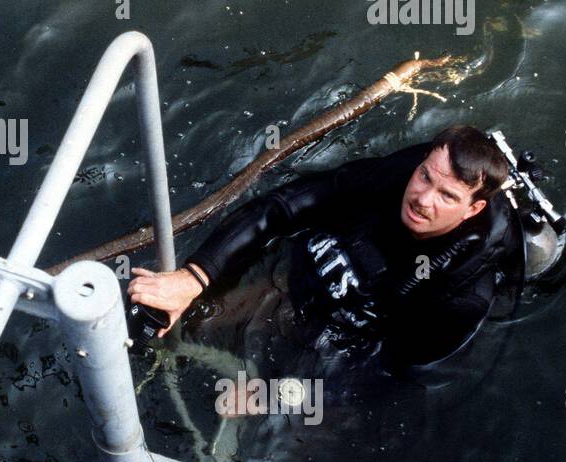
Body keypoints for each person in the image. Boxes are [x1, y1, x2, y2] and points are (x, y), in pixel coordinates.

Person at [127, 125, 521, 383]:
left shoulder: (463, 293)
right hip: (299, 287)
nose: (422, 198)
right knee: (166, 326)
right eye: (425, 177)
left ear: (473, 209)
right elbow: (280, 208)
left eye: (447, 196)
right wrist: (194, 276)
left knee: (288, 442)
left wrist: (281, 394)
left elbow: (395, 372)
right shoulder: (395, 176)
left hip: (351, 354)